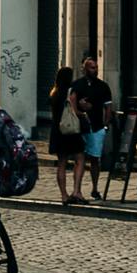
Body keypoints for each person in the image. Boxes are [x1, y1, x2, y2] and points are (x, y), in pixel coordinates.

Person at [72, 52, 114, 205]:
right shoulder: (78, 85)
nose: (94, 70)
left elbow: (108, 107)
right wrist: (80, 108)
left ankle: (95, 187)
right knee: (80, 158)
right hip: (81, 127)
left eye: (96, 67)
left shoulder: (102, 86)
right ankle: (77, 189)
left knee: (95, 159)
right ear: (84, 69)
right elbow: (72, 103)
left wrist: (105, 125)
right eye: (91, 68)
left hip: (96, 126)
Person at [45, 64, 82, 207]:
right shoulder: (70, 91)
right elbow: (74, 111)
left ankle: (63, 195)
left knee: (62, 163)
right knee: (80, 157)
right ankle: (76, 191)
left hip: (57, 130)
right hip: (69, 130)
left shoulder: (54, 92)